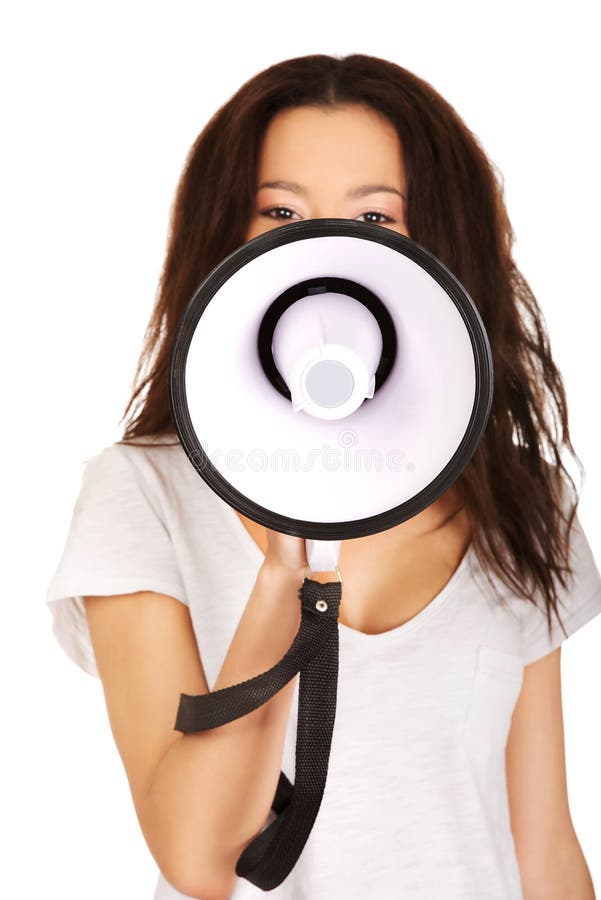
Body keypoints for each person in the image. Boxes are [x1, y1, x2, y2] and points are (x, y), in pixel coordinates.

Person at [45, 54, 601, 900]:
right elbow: (198, 861)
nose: (326, 248)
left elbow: (542, 842)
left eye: (376, 218)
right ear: (224, 237)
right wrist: (283, 583)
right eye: (279, 210)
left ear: (439, 245)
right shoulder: (142, 496)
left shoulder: (520, 503)